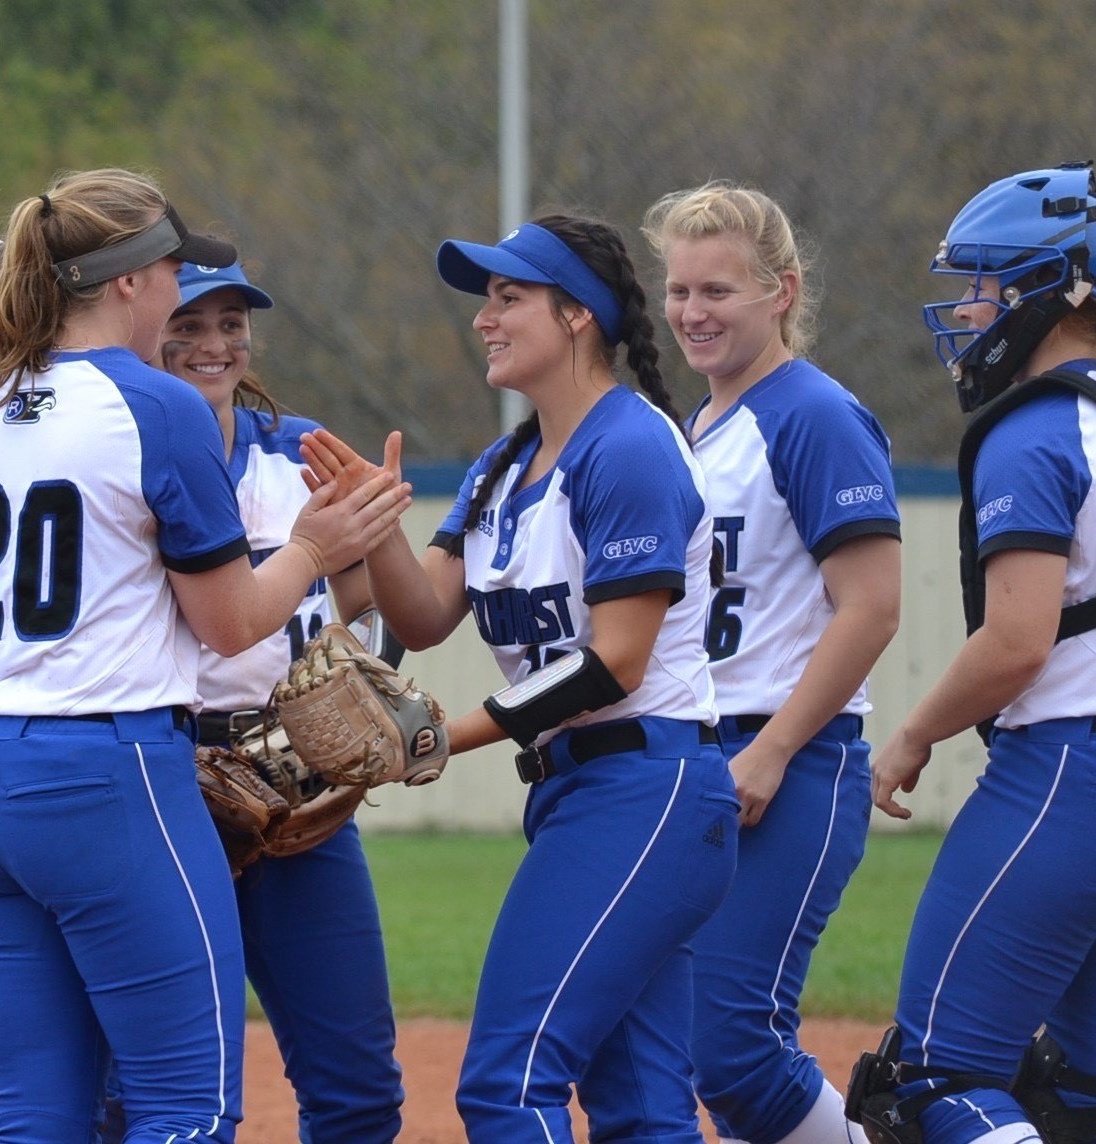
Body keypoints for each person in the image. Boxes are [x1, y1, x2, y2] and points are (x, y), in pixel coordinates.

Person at [0, 168, 410, 1143]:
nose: (185, 293)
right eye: (176, 272)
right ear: (132, 281)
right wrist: (312, 548)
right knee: (187, 1107)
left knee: (37, 1114)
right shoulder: (156, 405)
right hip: (107, 774)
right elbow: (230, 623)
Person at [302, 214, 740, 1144]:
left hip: (647, 788)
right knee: (642, 1108)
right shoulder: (503, 465)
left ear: (577, 314)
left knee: (510, 1084)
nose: (484, 318)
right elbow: (421, 616)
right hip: (589, 792)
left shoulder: (625, 446)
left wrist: (437, 738)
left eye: (508, 298)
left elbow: (615, 662)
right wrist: (373, 528)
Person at [857, 163, 1096, 1144]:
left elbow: (1015, 642)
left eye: (982, 284)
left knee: (930, 1083)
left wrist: (910, 737)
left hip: (1079, 779)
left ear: (1047, 292)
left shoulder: (1033, 429)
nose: (966, 308)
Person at [642, 181, 902, 1144]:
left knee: (736, 1050)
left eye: (717, 290)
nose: (691, 312)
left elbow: (872, 606)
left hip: (790, 757)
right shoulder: (697, 428)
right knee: (679, 1045)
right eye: (679, 290)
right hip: (704, 755)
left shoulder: (811, 415)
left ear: (780, 291)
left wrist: (776, 749)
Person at [154, 258, 405, 1142]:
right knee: (163, 1091)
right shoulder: (121, 450)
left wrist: (359, 692)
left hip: (297, 779)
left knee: (358, 1089)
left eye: (231, 323)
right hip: (166, 785)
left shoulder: (297, 451)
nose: (214, 344)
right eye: (188, 324)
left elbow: (368, 612)